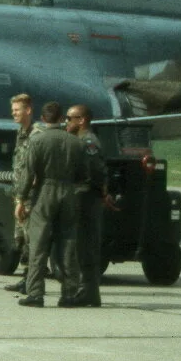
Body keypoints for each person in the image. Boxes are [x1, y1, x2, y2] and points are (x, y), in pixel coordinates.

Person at [14, 100, 99, 307]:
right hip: (69, 193)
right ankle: (69, 294)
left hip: (45, 192)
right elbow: (84, 174)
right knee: (68, 244)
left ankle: (35, 293)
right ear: (61, 119)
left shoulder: (37, 141)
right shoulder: (76, 143)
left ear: (43, 119)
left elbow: (28, 173)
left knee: (38, 244)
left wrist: (21, 199)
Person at [64, 104, 107, 307]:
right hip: (84, 195)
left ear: (81, 120)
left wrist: (93, 189)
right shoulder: (80, 140)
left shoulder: (88, 141)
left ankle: (87, 291)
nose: (66, 122)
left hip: (87, 197)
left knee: (85, 245)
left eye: (69, 118)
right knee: (82, 244)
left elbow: (96, 170)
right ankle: (89, 292)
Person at [3, 92, 36, 294]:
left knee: (30, 239)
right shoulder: (21, 133)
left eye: (17, 110)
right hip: (21, 196)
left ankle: (31, 280)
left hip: (30, 197)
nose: (13, 113)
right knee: (22, 239)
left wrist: (24, 197)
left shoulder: (36, 135)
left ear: (28, 110)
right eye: (12, 110)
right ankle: (26, 277)